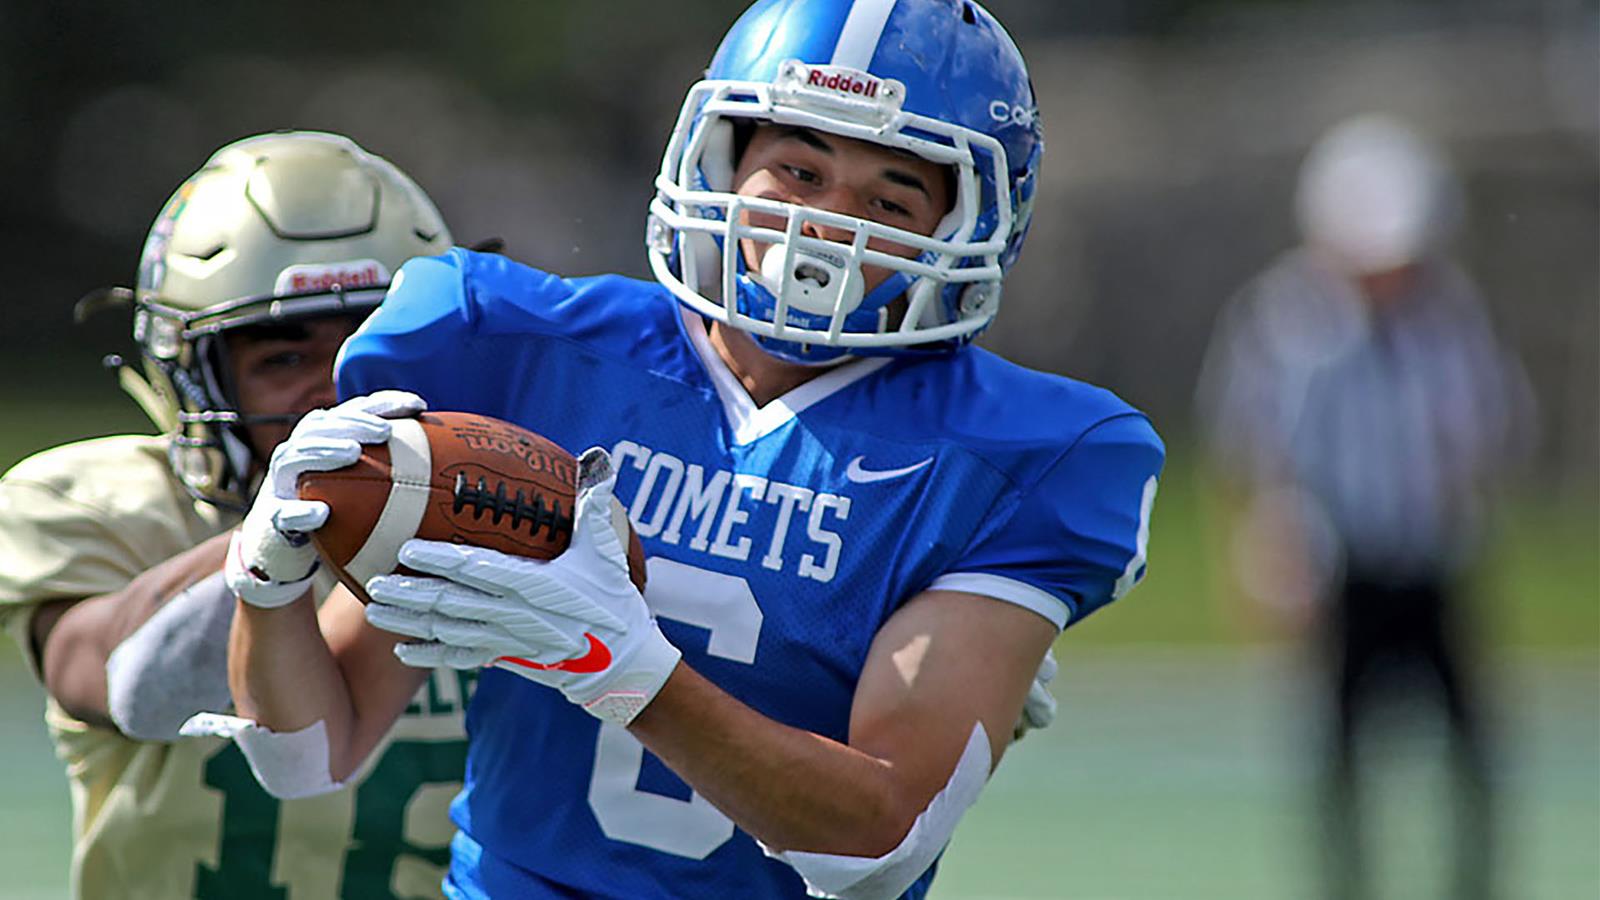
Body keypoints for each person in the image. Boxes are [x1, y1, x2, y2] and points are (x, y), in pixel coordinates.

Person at [223, 3, 1163, 898]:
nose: (828, 221)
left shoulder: (1015, 458)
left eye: (891, 196)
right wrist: (264, 588)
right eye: (799, 171)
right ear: (722, 159)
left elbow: (876, 848)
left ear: (963, 226)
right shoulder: (530, 354)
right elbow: (306, 756)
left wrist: (622, 668)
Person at [0, 131, 475, 899]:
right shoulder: (98, 502)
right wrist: (274, 541)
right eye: (284, 359)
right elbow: (107, 680)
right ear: (199, 379)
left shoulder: (503, 515)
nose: (340, 389)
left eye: (376, 340)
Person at [1195, 114, 1527, 900]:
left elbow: (1488, 425)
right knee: (1339, 750)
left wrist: (1474, 514)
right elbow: (1249, 442)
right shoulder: (1286, 321)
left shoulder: (1448, 315)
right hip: (1342, 571)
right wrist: (1267, 551)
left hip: (1431, 562)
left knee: (1472, 742)